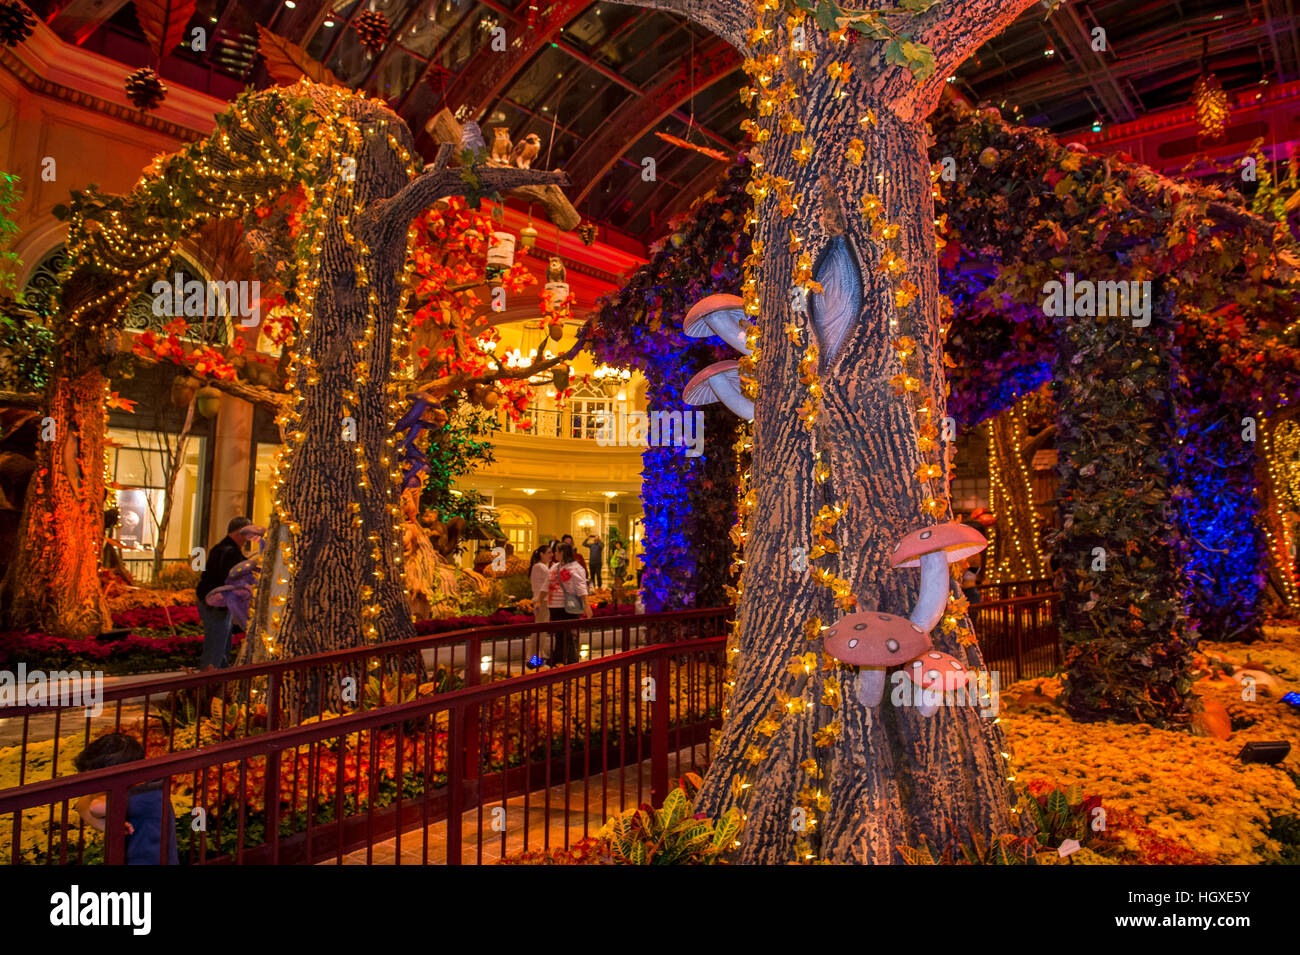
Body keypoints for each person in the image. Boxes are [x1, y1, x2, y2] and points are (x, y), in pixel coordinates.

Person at [74, 733, 178, 865]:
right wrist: (109, 826)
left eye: (96, 778)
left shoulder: (149, 796)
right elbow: (81, 804)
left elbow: (94, 807)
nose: (92, 785)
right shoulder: (143, 786)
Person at [196, 516, 263, 670]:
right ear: (240, 532)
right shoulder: (228, 552)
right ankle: (210, 683)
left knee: (222, 644)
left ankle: (218, 681)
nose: (249, 539)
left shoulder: (224, 550)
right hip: (216, 604)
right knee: (216, 647)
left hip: (218, 603)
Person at [547, 542, 589, 666]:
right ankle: (563, 661)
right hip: (554, 606)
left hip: (569, 606)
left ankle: (565, 661)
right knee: (560, 635)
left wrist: (586, 604)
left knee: (567, 635)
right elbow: (547, 584)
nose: (555, 554)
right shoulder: (555, 567)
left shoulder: (575, 567)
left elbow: (581, 586)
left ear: (562, 553)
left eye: (556, 551)